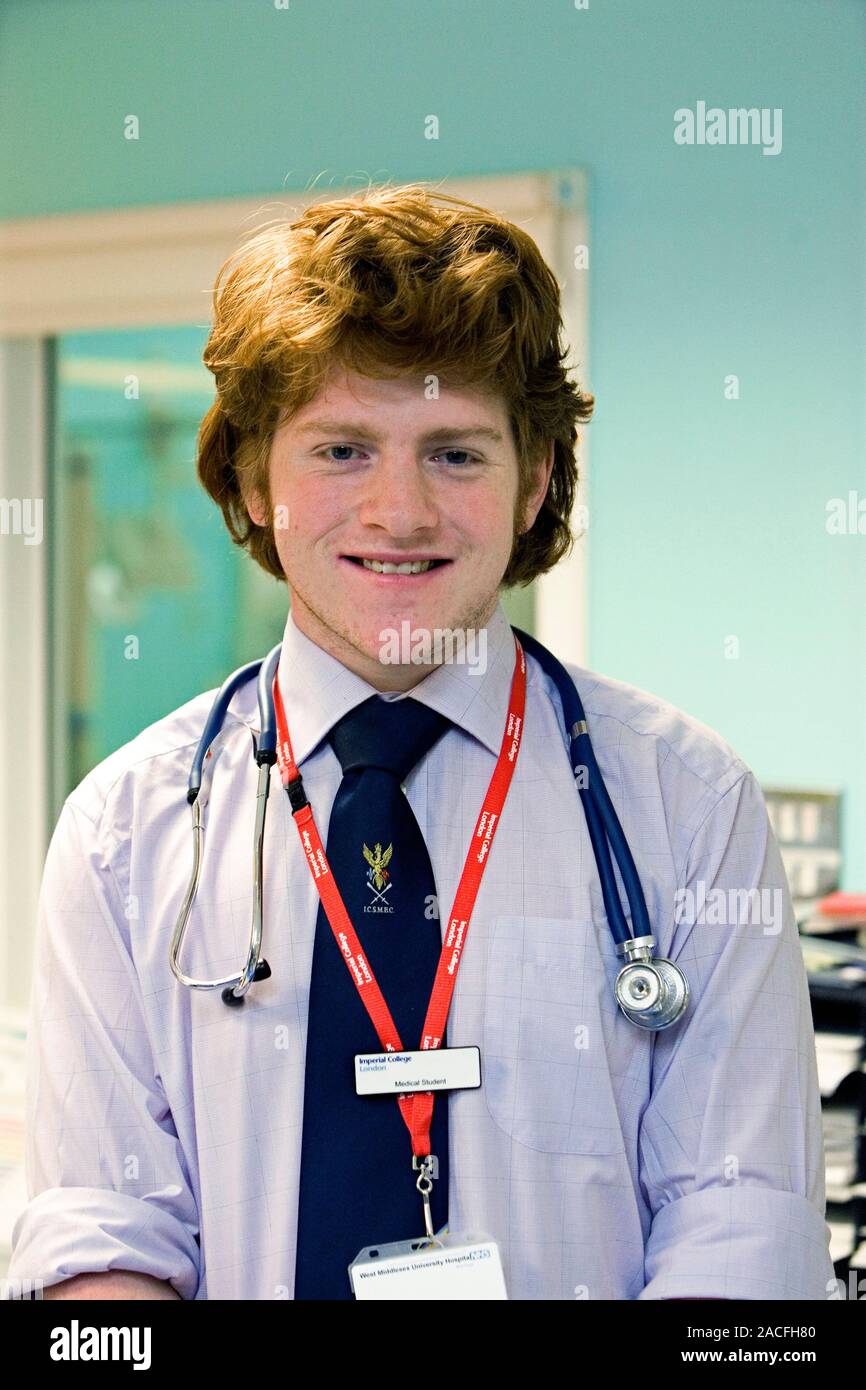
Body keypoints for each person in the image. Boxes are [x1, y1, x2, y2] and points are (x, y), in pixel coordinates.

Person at [8, 185, 834, 1301]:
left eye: (453, 453)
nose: (399, 512)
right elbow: (101, 1233)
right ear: (253, 482)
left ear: (534, 477)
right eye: (341, 450)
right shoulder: (124, 830)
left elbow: (741, 1235)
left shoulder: (685, 805)